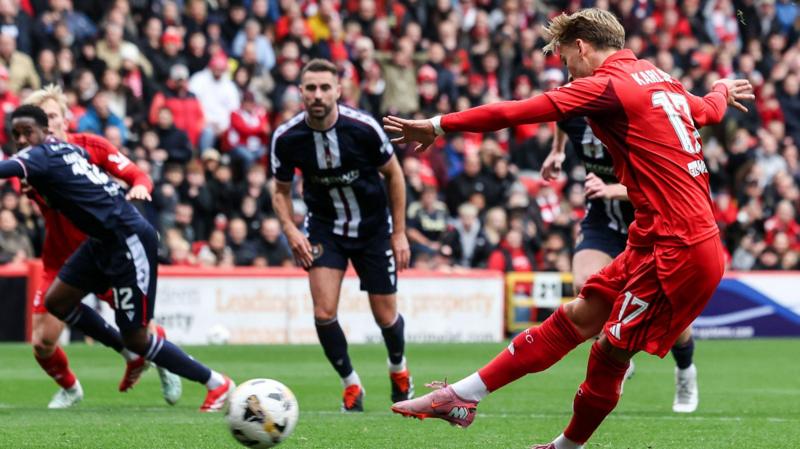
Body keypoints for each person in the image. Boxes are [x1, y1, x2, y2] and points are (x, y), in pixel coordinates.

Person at [383, 9, 753, 448]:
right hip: (657, 238)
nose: (566, 72)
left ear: (581, 47)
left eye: (565, 60)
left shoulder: (606, 85)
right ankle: (460, 397)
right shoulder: (660, 77)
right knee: (575, 317)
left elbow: (515, 111)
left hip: (680, 248)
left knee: (609, 354)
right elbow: (707, 112)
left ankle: (564, 447)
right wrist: (718, 89)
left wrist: (439, 124)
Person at [4, 104, 234, 412]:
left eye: (27, 132)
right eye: (15, 134)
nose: (20, 139)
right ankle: (129, 355)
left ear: (46, 130)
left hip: (128, 240)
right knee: (57, 302)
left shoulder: (39, 156)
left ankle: (216, 383)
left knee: (137, 336)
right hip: (100, 241)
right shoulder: (67, 150)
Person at [23, 84, 184, 409]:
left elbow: (137, 174)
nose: (48, 123)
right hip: (60, 258)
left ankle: (165, 363)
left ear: (66, 119)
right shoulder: (30, 162)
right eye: (42, 118)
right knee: (42, 343)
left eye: (53, 115)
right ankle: (70, 388)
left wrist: (139, 187)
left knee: (140, 327)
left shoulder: (91, 146)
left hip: (106, 253)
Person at [271, 58, 413, 412]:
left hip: (373, 228)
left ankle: (398, 369)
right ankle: (351, 384)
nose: (317, 95)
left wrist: (400, 233)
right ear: (301, 92)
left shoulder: (363, 128)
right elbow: (280, 191)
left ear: (338, 91)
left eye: (324, 88)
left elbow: (395, 175)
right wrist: (290, 230)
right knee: (323, 312)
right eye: (310, 88)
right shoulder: (287, 138)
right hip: (324, 227)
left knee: (385, 317)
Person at [544, 116, 700, 413]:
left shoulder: (636, 123)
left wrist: (612, 190)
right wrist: (557, 151)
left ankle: (685, 371)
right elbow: (560, 116)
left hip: (648, 223)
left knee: (673, 315)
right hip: (603, 221)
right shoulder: (575, 111)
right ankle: (618, 353)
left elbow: (663, 186)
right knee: (585, 286)